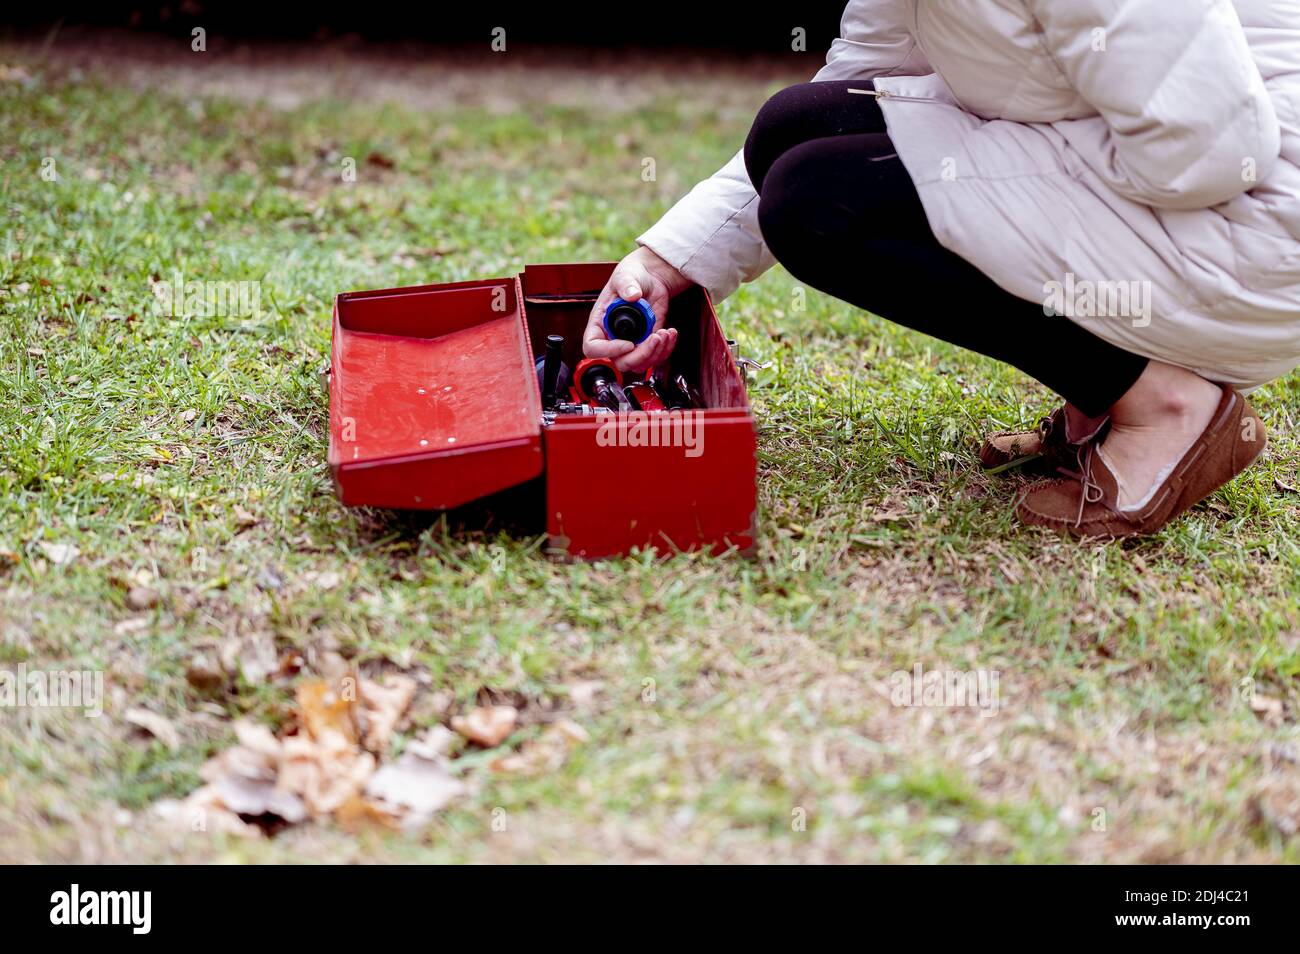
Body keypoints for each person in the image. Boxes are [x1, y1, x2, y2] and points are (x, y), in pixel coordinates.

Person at [582, 0, 1299, 538]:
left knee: (822, 202)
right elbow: (865, 72)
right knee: (793, 128)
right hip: (1172, 184)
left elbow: (1206, 150)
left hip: (1252, 229)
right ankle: (1104, 386)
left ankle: (1162, 403)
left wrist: (1014, 160)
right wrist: (666, 260)